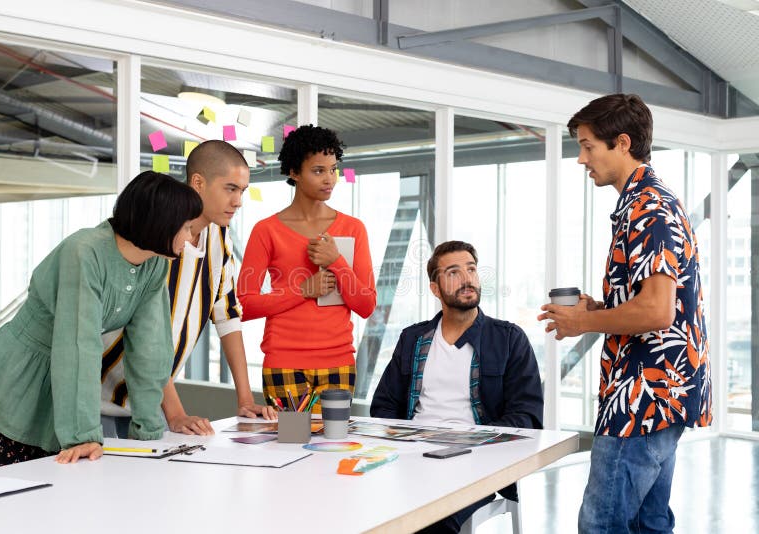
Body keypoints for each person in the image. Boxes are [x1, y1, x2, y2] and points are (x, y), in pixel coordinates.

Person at [537, 93, 712, 533]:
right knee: (647, 524)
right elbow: (654, 301)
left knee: (603, 524)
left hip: (643, 397)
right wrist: (601, 309)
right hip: (661, 393)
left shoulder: (648, 208)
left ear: (622, 143)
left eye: (588, 146)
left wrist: (585, 321)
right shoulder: (647, 202)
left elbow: (656, 311)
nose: (580, 159)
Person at [0, 171, 202, 467]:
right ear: (161, 221)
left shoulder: (153, 266)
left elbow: (150, 349)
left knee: (59, 497)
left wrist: (151, 432)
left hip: (58, 393)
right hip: (12, 384)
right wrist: (82, 435)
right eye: (187, 227)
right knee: (17, 498)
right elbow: (78, 345)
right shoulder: (84, 252)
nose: (190, 238)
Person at [100, 141, 274, 438]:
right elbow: (143, 335)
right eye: (230, 189)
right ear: (198, 183)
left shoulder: (219, 236)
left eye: (242, 191)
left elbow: (227, 315)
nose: (238, 201)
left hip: (148, 398)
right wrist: (176, 414)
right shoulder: (155, 235)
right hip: (97, 394)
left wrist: (244, 398)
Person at [371, 240, 544, 534]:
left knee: (430, 522)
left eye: (472, 270)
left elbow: (526, 417)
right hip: (413, 461)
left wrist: (470, 442)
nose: (467, 279)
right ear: (436, 289)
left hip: (474, 467)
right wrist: (406, 443)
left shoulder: (509, 339)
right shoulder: (413, 339)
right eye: (453, 272)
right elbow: (383, 406)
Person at [237, 125, 376, 411]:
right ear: (294, 173)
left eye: (333, 169)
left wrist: (336, 262)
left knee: (332, 448)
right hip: (283, 364)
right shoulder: (266, 230)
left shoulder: (353, 229)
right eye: (318, 170)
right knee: (291, 445)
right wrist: (303, 290)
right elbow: (244, 304)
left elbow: (366, 305)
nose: (330, 179)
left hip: (339, 362)